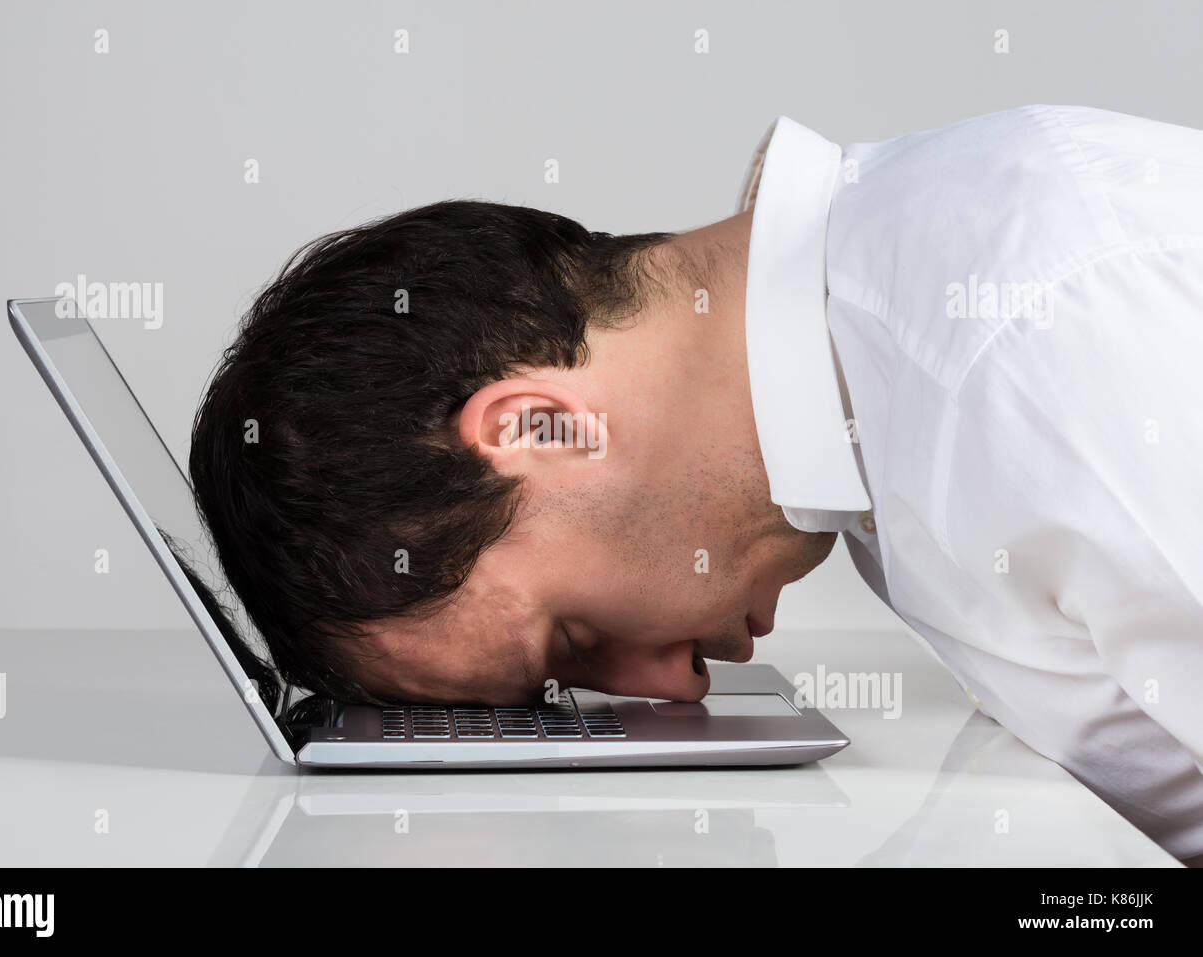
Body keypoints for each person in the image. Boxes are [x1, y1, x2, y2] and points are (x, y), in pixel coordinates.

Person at [188, 105, 1203, 863]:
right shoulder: (873, 397)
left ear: (537, 426)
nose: (674, 689)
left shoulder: (1026, 349)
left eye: (575, 643)